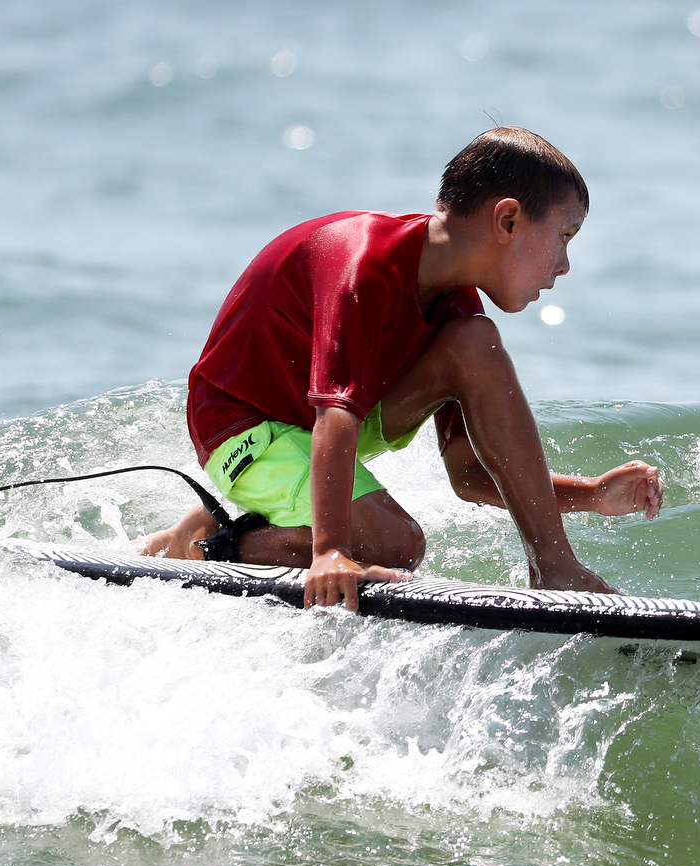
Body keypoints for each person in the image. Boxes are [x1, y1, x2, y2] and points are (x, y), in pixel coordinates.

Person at [138, 126, 664, 610]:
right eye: (564, 237)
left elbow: (470, 475)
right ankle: (211, 544)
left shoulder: (459, 313)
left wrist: (591, 495)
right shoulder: (361, 262)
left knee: (475, 344)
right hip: (243, 427)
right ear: (507, 220)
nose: (565, 264)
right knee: (396, 543)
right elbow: (334, 416)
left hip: (318, 426)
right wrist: (331, 552)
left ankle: (554, 568)